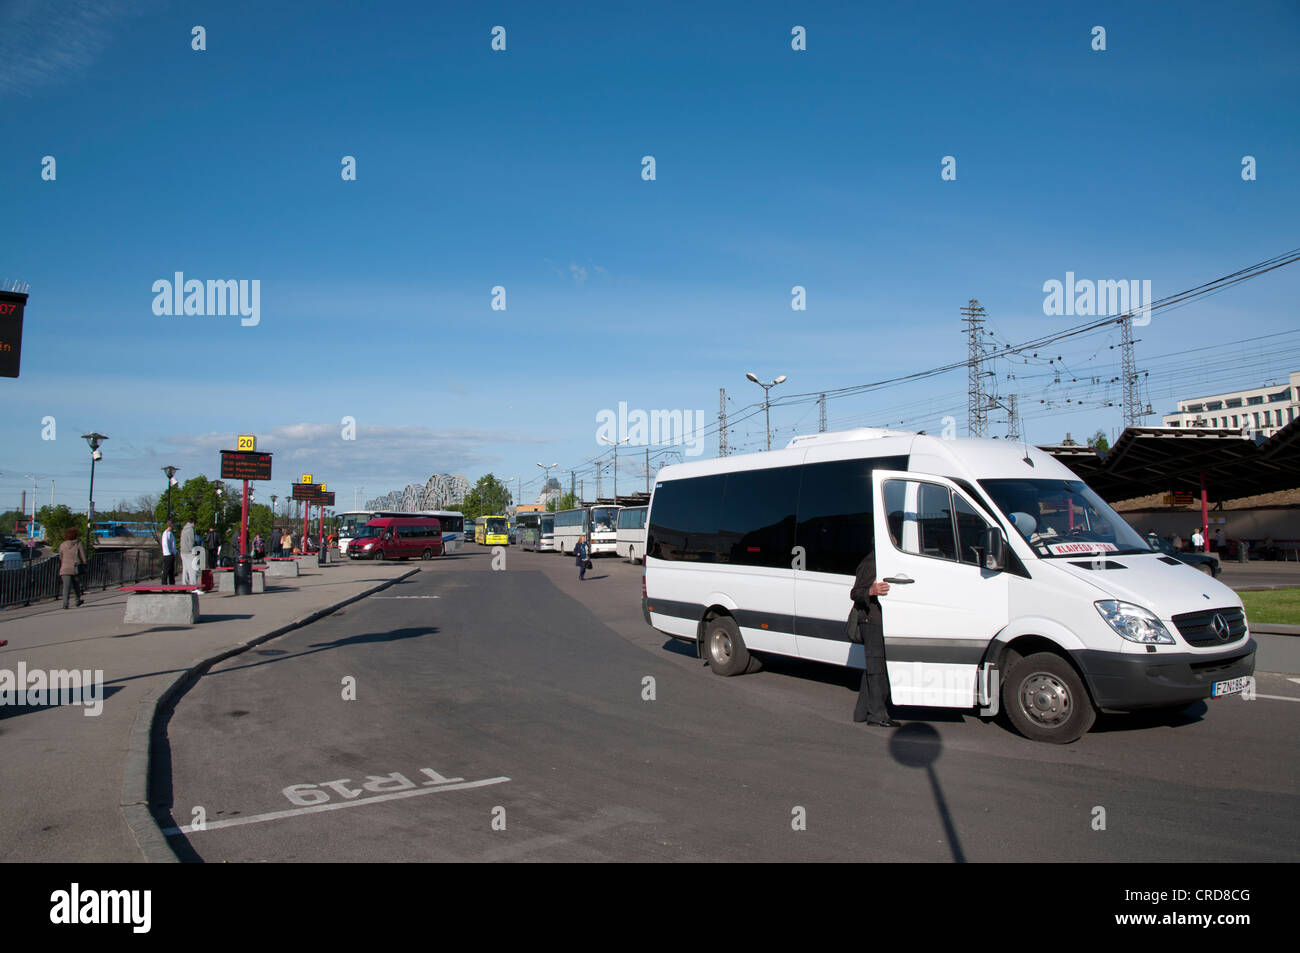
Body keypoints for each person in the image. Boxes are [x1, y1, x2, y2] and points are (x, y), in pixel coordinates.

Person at [849, 551, 899, 727]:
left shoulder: (885, 559)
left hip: (880, 621)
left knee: (875, 667)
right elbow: (855, 593)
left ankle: (862, 712)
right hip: (870, 620)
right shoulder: (871, 561)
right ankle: (877, 716)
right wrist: (871, 591)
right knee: (877, 668)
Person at [58, 527, 86, 609]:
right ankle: (77, 600)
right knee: (76, 585)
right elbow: (83, 556)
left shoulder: (62, 545)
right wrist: (84, 563)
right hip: (75, 568)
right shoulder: (78, 544)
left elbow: (61, 556)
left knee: (66, 587)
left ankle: (65, 603)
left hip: (64, 568)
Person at [180, 519, 198, 586]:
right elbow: (191, 541)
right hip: (189, 551)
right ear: (193, 523)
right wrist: (193, 551)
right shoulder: (190, 529)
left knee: (185, 569)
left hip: (183, 551)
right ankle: (193, 585)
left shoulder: (184, 529)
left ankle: (184, 584)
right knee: (193, 569)